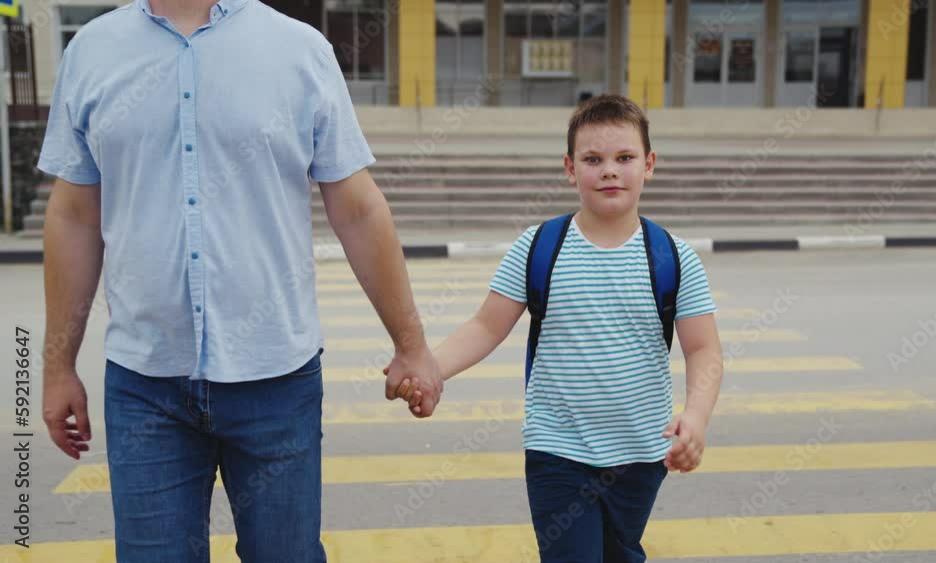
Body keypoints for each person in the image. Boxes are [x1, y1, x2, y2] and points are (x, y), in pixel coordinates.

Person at [37, 0, 441, 561]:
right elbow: (75, 216)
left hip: (277, 378)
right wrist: (58, 368)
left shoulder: (299, 50)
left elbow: (358, 211)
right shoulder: (90, 51)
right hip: (145, 384)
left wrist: (411, 344)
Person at [412, 94, 725, 561]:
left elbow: (704, 351)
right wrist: (428, 370)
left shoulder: (673, 257)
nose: (610, 171)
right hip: (556, 450)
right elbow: (484, 327)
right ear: (569, 167)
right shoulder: (540, 247)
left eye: (624, 158)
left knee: (622, 554)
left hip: (641, 453)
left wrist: (696, 416)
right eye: (593, 159)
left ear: (649, 164)